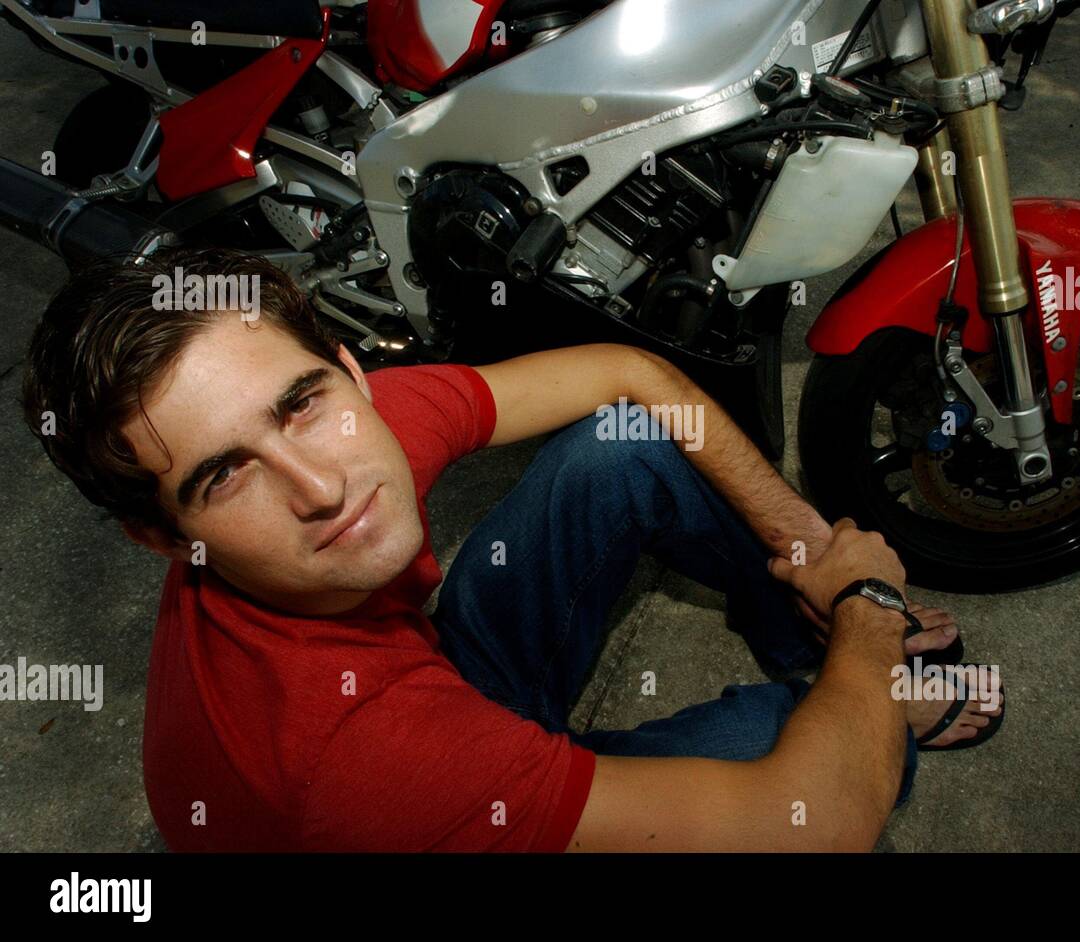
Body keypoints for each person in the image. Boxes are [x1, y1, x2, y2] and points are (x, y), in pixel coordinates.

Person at [20, 248, 1001, 852]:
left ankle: (811, 639)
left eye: (304, 403)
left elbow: (629, 371)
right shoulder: (348, 763)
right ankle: (860, 699)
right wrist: (868, 614)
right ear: (160, 537)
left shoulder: (357, 428)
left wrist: (802, 544)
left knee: (627, 444)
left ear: (350, 373)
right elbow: (821, 828)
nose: (319, 487)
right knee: (792, 764)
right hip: (405, 802)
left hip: (428, 685)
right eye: (222, 477)